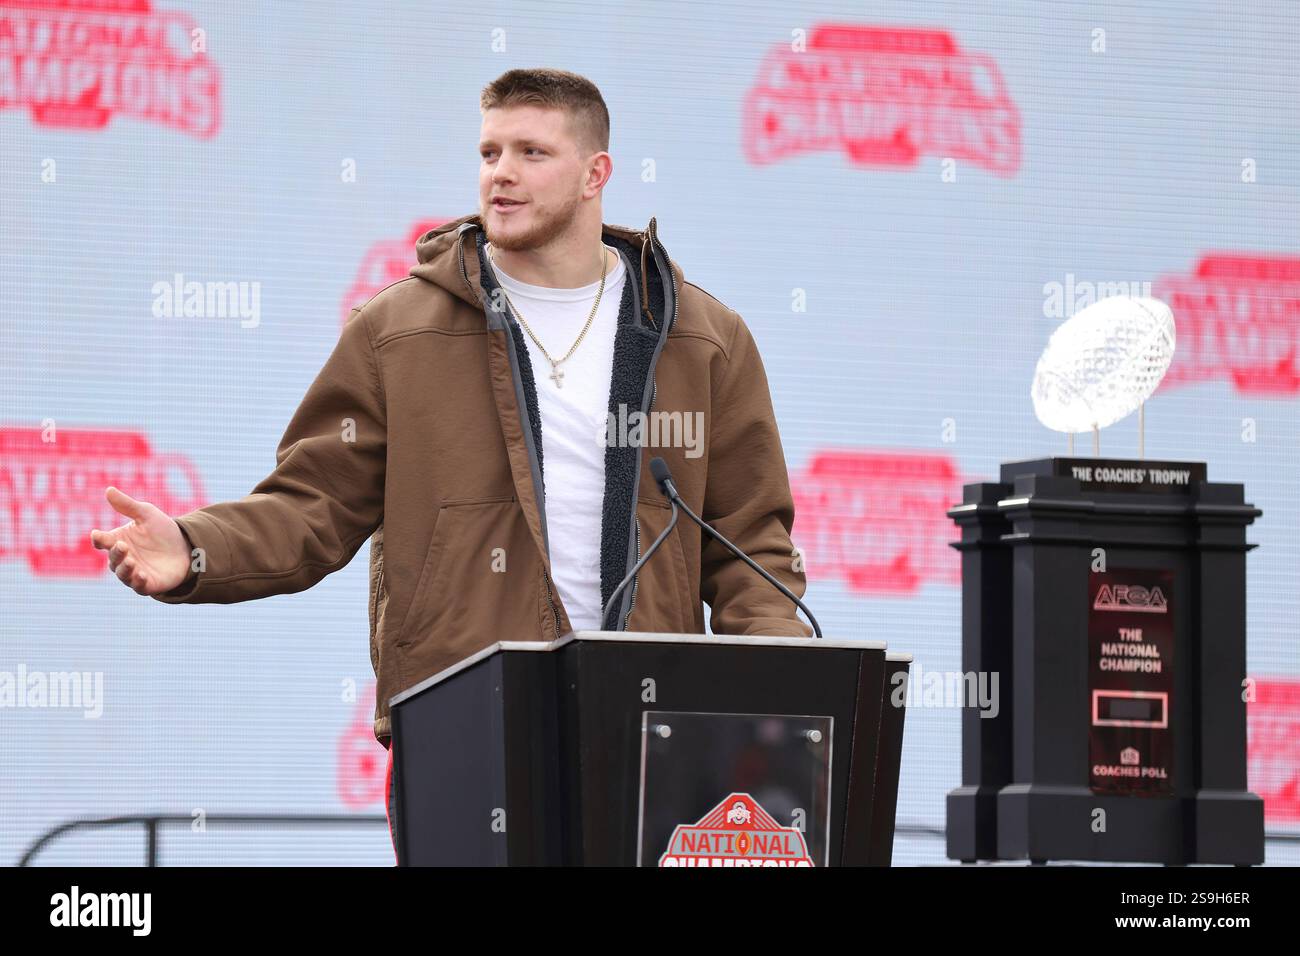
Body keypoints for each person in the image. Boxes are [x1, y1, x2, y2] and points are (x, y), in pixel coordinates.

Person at [88, 67, 811, 861]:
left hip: (650, 730)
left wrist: (777, 712)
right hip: (464, 719)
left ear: (595, 174)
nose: (500, 173)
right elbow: (312, 504)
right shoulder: (397, 332)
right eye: (489, 151)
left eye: (533, 152)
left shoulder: (700, 336)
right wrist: (196, 547)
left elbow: (750, 547)